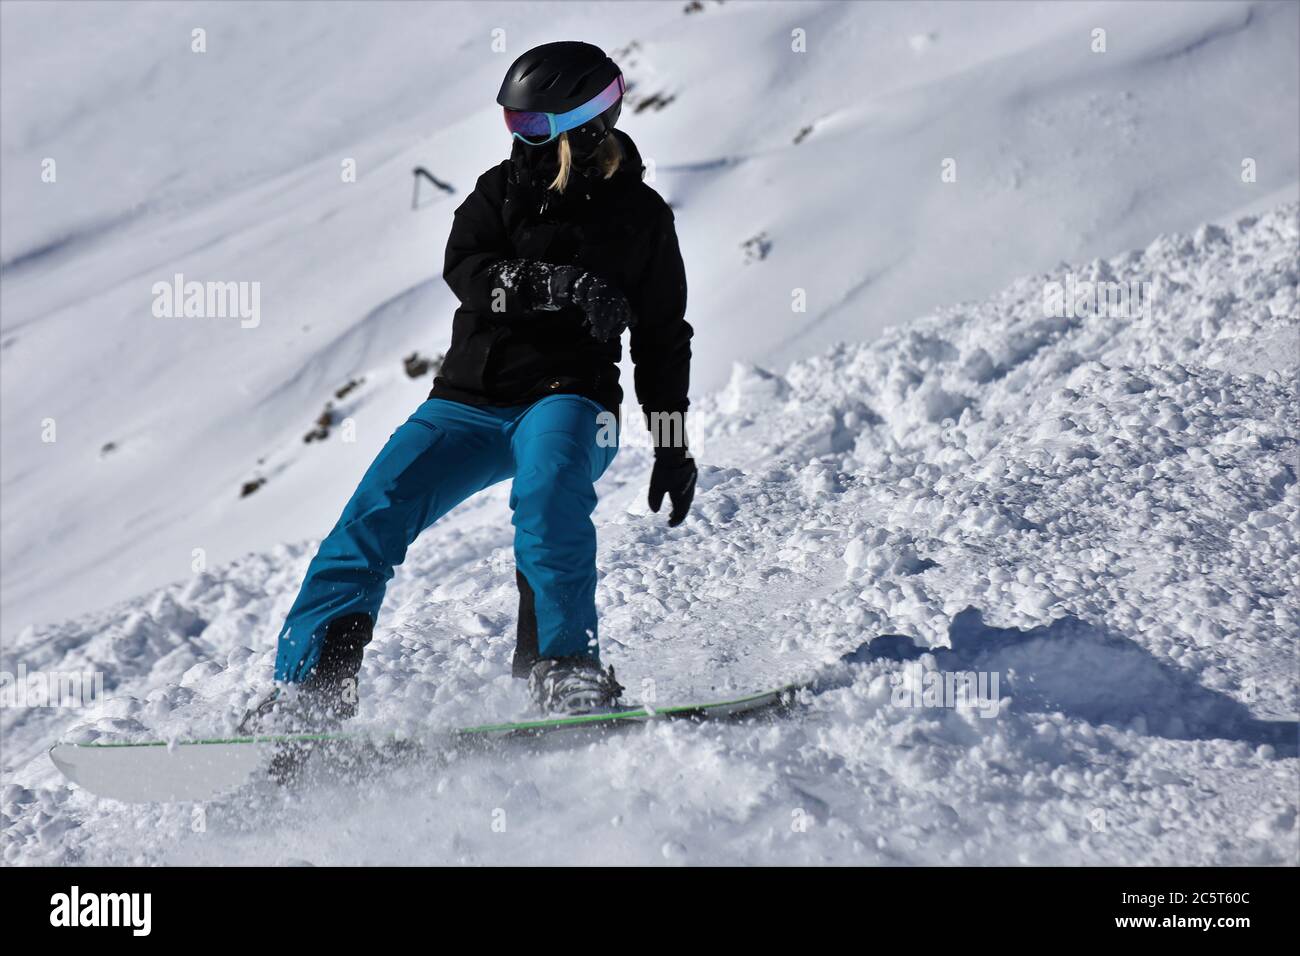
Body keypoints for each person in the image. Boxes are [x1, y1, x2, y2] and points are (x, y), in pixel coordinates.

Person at [248, 41, 695, 726]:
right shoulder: (501, 190)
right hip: (467, 401)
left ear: (587, 123)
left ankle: (567, 668)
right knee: (371, 517)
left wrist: (671, 446)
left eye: (533, 126)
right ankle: (309, 694)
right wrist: (549, 283)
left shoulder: (641, 220)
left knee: (546, 498)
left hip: (570, 399)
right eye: (513, 125)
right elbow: (467, 268)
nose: (520, 140)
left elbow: (663, 340)